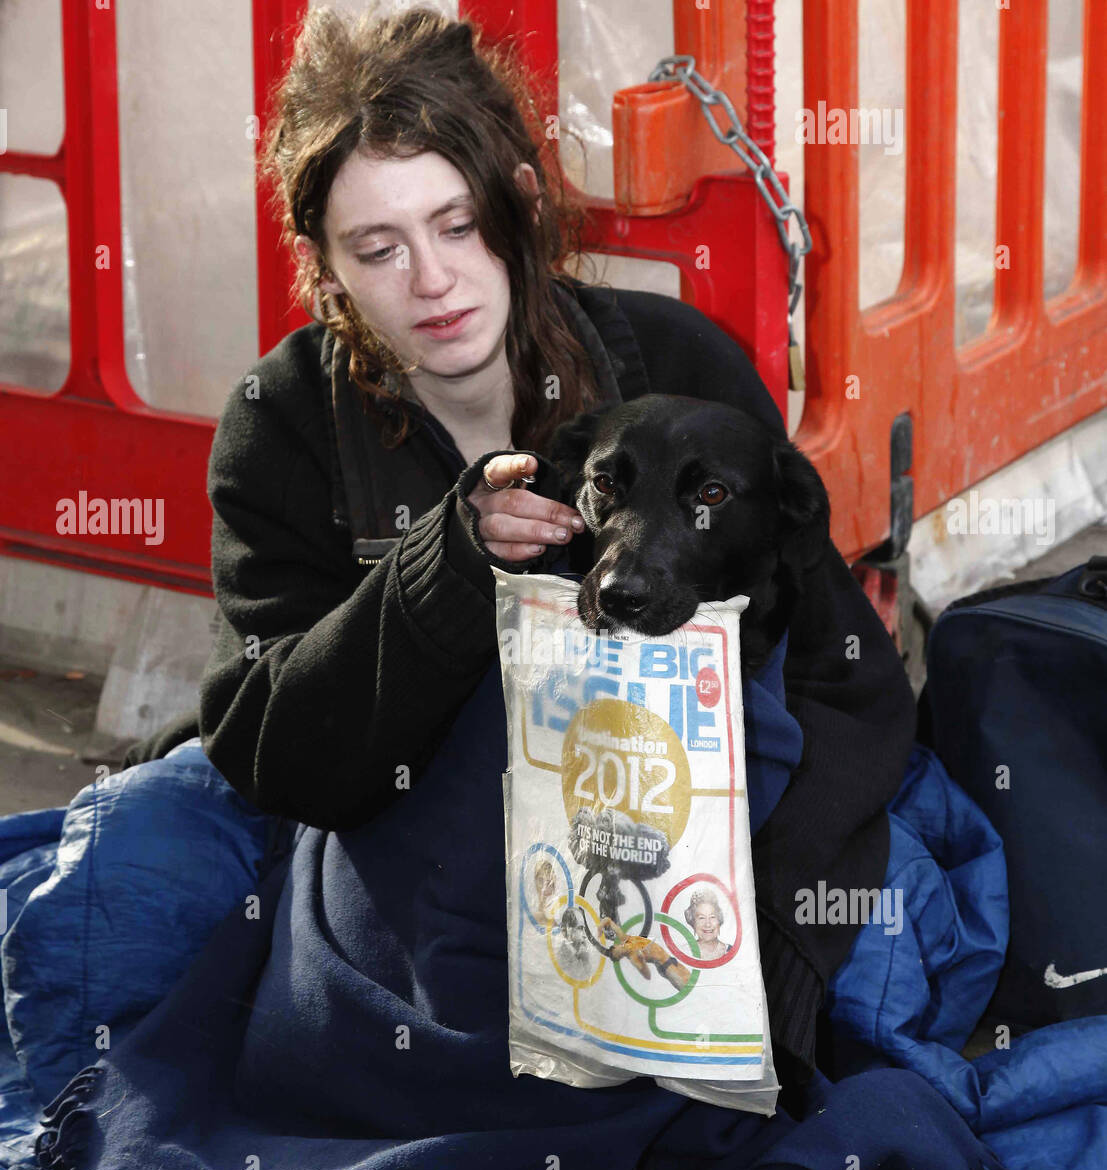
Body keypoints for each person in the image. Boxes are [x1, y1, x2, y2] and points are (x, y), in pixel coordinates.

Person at [124, 3, 917, 1085]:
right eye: (378, 247)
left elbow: (847, 685)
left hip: (678, 896)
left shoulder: (681, 377)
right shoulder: (285, 425)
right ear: (325, 264)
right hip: (423, 918)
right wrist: (448, 568)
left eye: (458, 224)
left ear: (524, 203)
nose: (433, 280)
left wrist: (776, 939)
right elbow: (280, 756)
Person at [684, 888, 731, 960]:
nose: (708, 924)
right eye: (701, 918)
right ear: (693, 921)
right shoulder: (684, 953)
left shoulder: (732, 951)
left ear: (719, 919)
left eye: (712, 917)